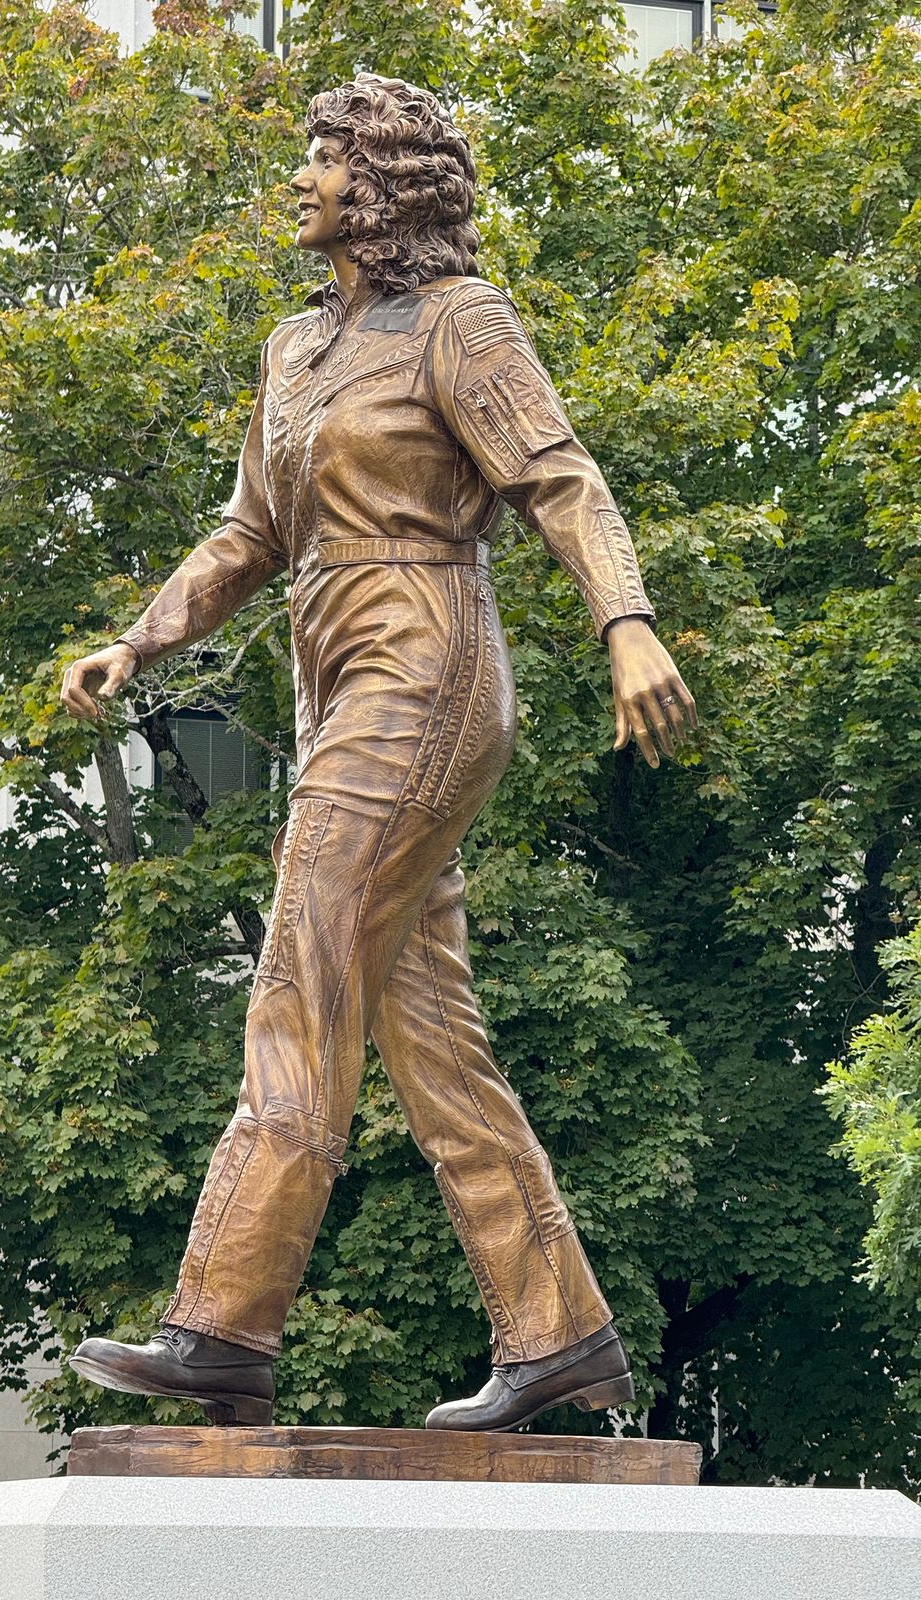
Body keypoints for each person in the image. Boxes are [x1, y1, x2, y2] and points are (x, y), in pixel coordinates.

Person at [59, 73, 696, 1432]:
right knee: (428, 1032)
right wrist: (141, 641)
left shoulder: (461, 324)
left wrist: (626, 623)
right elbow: (248, 533)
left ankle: (223, 1320)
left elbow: (559, 478)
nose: (299, 181)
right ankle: (561, 1331)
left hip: (429, 658)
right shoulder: (295, 350)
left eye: (321, 160)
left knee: (304, 954)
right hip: (331, 670)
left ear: (387, 182)